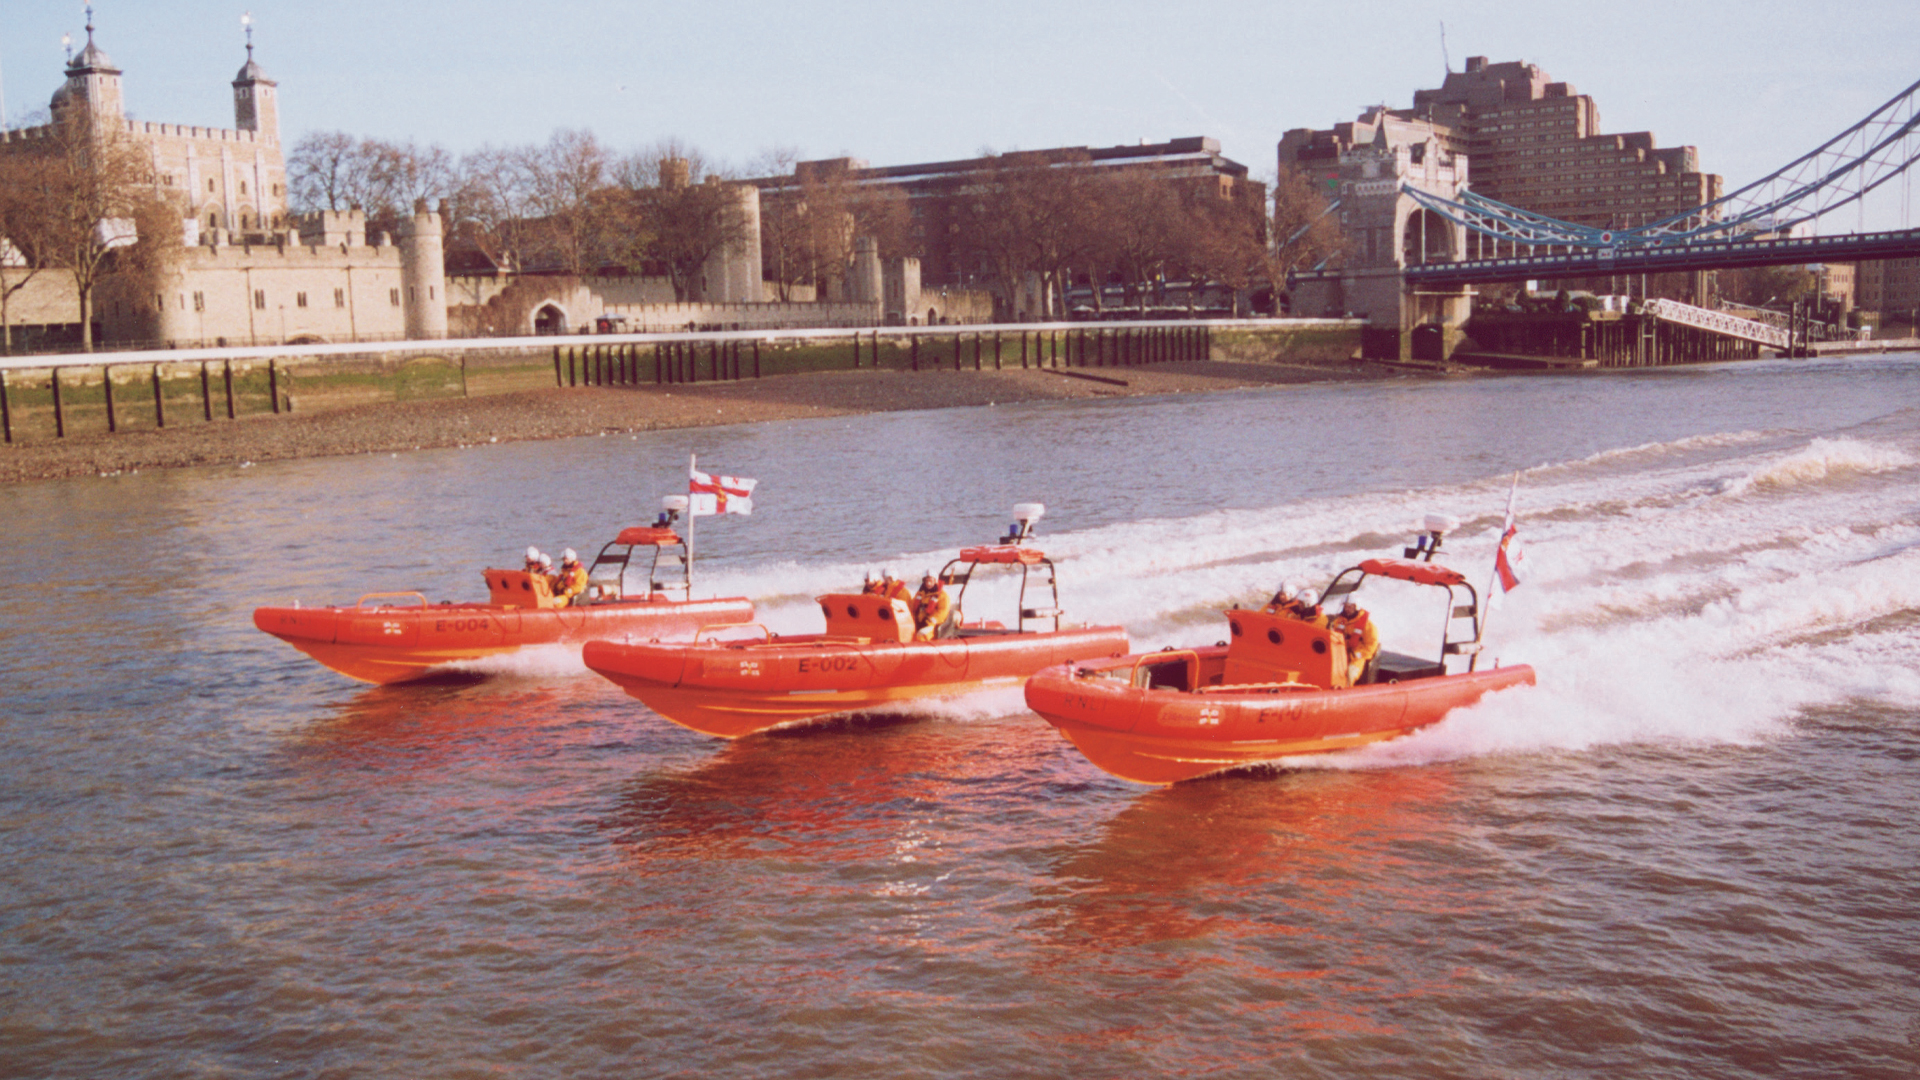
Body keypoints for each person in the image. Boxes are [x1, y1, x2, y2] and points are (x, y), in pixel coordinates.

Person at [1329, 600, 1380, 684]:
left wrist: (1357, 654)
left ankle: (1346, 688)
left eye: (1350, 607)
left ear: (1356, 607)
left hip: (1357, 657)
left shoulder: (1368, 625)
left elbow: (1371, 646)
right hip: (1340, 653)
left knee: (1351, 674)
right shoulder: (1338, 621)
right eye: (1346, 606)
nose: (1347, 609)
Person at [913, 572, 954, 641]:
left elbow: (943, 612)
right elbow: (912, 606)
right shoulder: (919, 594)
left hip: (932, 624)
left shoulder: (942, 595)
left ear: (935, 581)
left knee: (921, 634)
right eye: (926, 581)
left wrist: (931, 620)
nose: (928, 583)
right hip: (919, 622)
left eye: (930, 581)